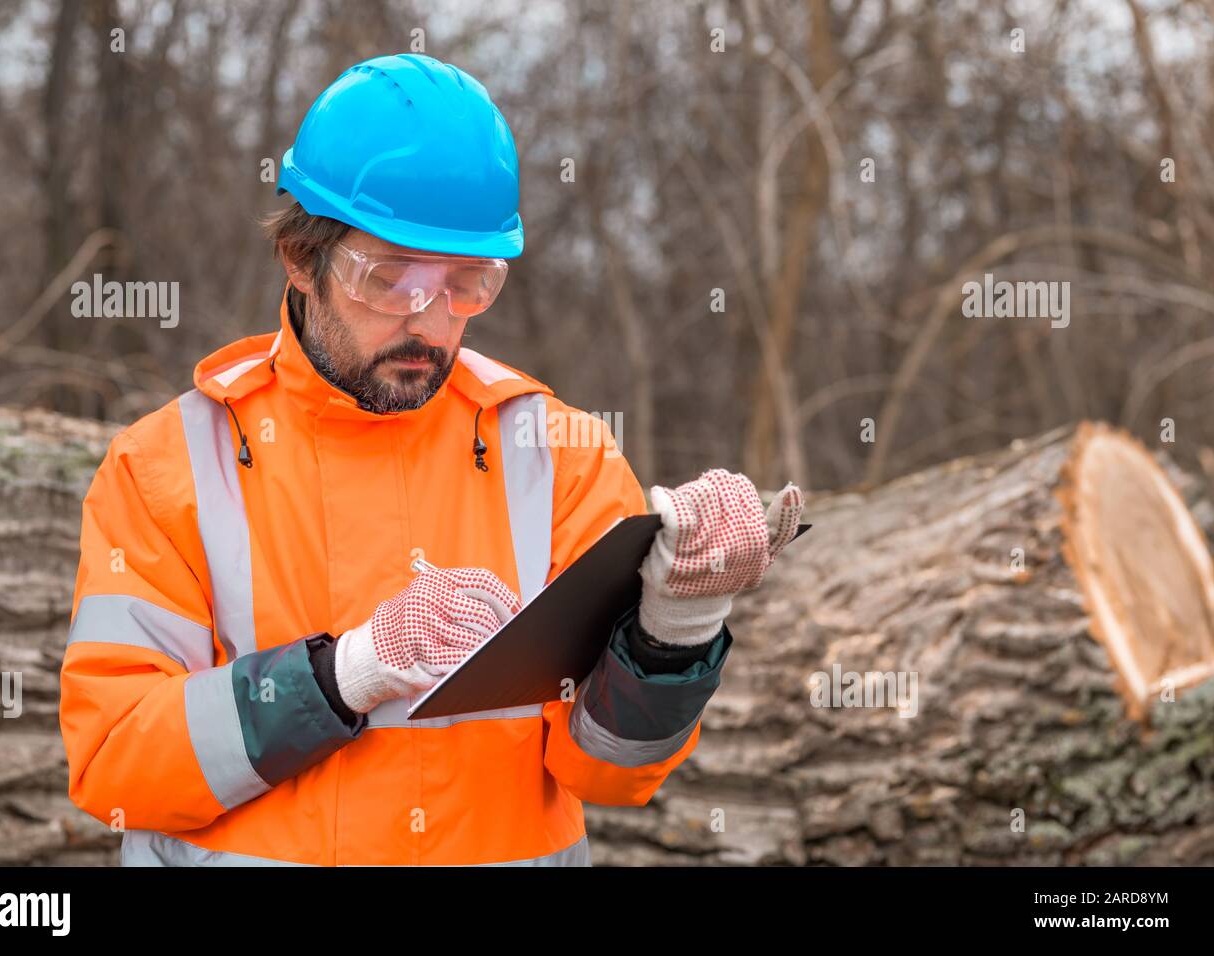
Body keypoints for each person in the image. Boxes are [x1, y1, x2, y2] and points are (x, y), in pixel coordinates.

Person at [59, 52, 804, 866]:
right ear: (301, 259)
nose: (430, 322)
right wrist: (345, 674)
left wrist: (675, 635)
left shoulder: (560, 456)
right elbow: (116, 762)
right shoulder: (165, 467)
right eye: (389, 279)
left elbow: (609, 771)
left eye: (466, 283)